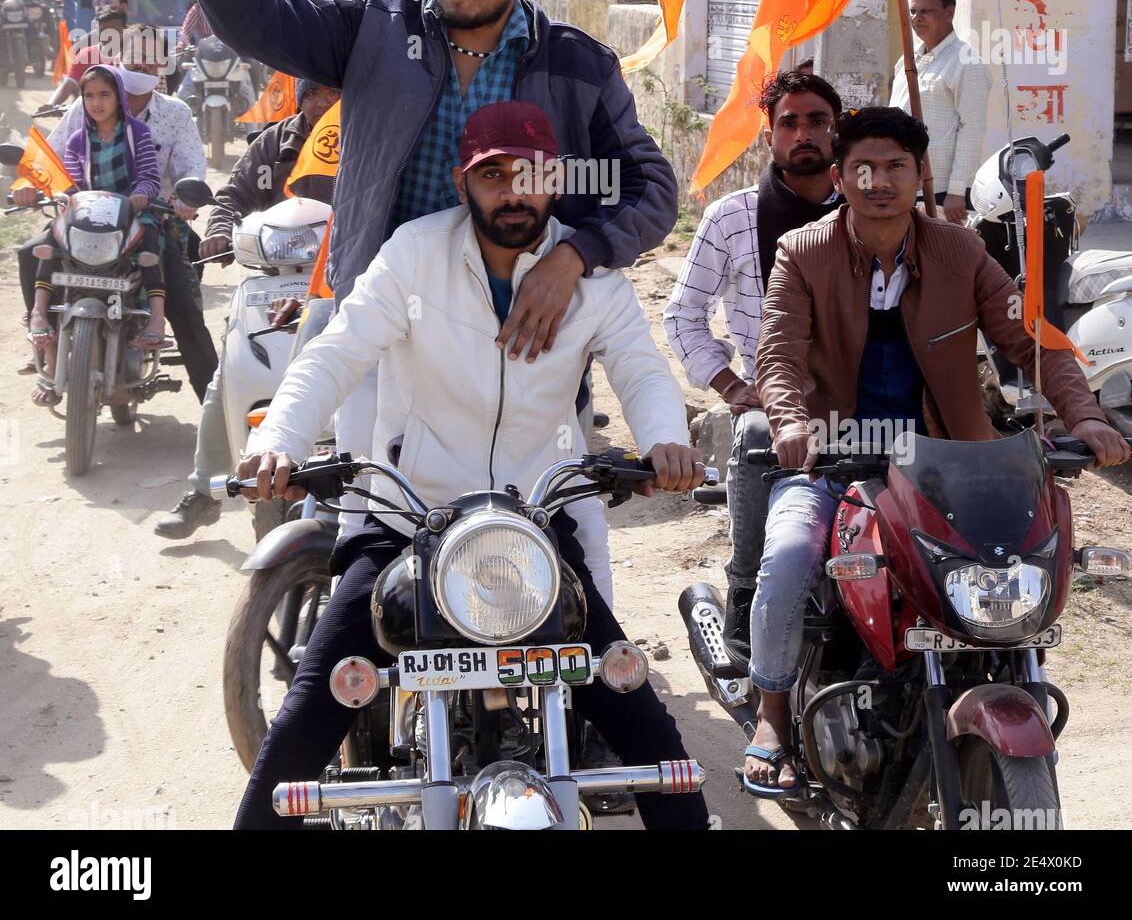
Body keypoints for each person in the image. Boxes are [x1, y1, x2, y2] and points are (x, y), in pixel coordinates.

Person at [159, 0, 677, 529]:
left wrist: (574, 256)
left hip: (523, 338)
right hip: (380, 321)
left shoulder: (576, 68)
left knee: (541, 546)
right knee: (371, 531)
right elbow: (263, 21)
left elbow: (650, 187)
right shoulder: (377, 26)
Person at [232, 101, 709, 831]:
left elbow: (642, 370)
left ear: (555, 181)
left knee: (649, 734)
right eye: (494, 175)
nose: (513, 192)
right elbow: (338, 353)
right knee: (306, 720)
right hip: (408, 522)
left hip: (530, 534)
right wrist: (282, 443)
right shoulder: (412, 254)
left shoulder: (595, 283)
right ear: (465, 182)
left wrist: (666, 441)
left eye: (530, 174)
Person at [743, 106, 1130, 790]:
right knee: (789, 558)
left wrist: (1084, 415)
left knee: (1010, 567)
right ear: (840, 177)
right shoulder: (803, 254)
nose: (880, 180)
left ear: (921, 174)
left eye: (896, 166)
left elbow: (1032, 339)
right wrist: (790, 422)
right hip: (836, 462)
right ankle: (773, 712)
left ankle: (1002, 693)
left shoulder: (961, 253)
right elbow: (776, 355)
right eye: (863, 167)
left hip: (946, 470)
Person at [662, 69, 842, 660]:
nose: (803, 133)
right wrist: (732, 385)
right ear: (769, 136)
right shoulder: (731, 217)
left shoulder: (873, 214)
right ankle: (745, 589)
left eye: (817, 120)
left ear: (837, 131)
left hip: (862, 404)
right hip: (774, 406)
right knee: (758, 432)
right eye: (788, 122)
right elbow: (683, 315)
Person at [156, 78, 341, 538]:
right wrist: (219, 228)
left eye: (334, 93)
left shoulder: (370, 136)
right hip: (275, 282)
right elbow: (231, 197)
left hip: (349, 281)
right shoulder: (275, 142)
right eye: (313, 92)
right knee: (231, 375)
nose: (323, 103)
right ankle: (203, 492)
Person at [15, 25, 218, 400]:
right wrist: (29, 184)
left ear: (163, 65)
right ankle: (47, 340)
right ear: (118, 59)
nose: (140, 62)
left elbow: (191, 166)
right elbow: (51, 157)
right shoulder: (88, 103)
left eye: (149, 57)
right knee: (31, 253)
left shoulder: (175, 113)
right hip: (82, 220)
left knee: (183, 300)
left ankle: (214, 407)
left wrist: (186, 198)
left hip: (150, 219)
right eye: (133, 55)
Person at [27, 66, 168, 398]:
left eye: (104, 94)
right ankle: (38, 313)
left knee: (150, 241)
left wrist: (141, 196)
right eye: (89, 96)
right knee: (52, 238)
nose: (96, 102)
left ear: (118, 97)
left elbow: (150, 175)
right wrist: (65, 197)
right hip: (88, 216)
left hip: (129, 215)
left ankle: (156, 319)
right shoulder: (78, 140)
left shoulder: (138, 133)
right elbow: (73, 183)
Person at [889, 0, 989, 223]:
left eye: (926, 11)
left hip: (943, 187)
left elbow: (972, 129)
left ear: (949, 13)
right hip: (904, 181)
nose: (917, 18)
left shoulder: (966, 62)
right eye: (913, 11)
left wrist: (956, 190)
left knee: (942, 256)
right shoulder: (907, 62)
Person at [45, 0, 129, 109]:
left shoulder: (142, 45)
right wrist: (50, 106)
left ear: (123, 7)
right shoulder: (82, 47)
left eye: (107, 1)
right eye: (97, 3)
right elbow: (69, 84)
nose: (101, 6)